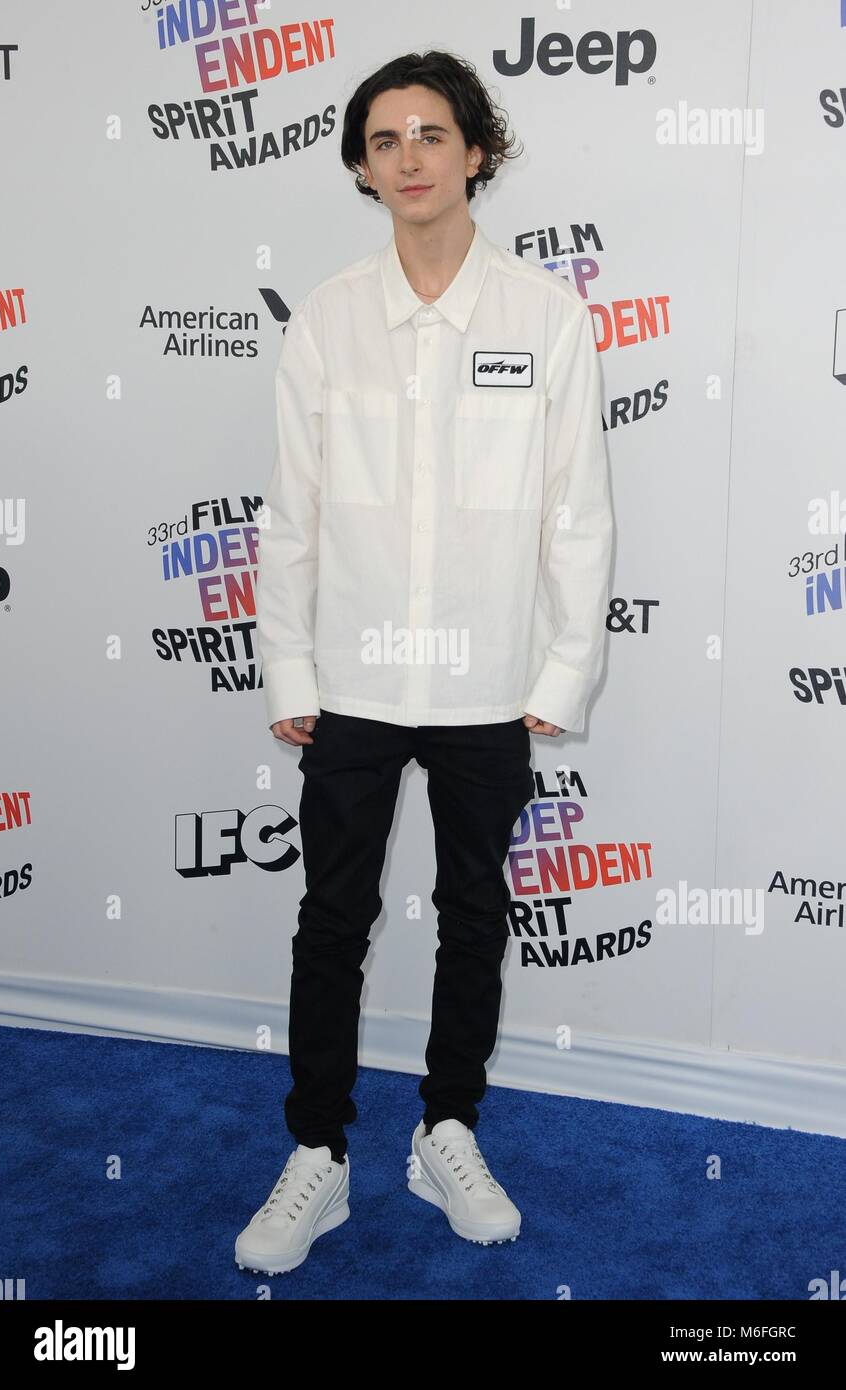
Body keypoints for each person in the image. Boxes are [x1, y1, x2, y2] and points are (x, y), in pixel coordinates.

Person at [235, 49, 614, 1277]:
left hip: (485, 690)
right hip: (345, 683)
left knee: (471, 916)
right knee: (329, 919)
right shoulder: (331, 318)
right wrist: (288, 673)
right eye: (384, 139)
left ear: (476, 152)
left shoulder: (547, 320)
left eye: (431, 134)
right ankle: (319, 1154)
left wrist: (557, 679)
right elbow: (289, 514)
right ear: (360, 164)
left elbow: (579, 518)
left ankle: (445, 1127)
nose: (408, 156)